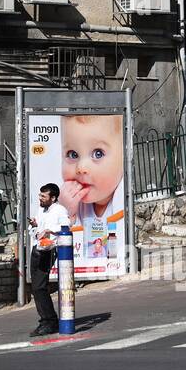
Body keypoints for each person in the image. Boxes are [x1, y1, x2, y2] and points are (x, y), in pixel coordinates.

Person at [57, 114, 126, 273]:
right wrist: (67, 212)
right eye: (72, 154)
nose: (81, 167)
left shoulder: (122, 197)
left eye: (98, 154)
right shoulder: (72, 201)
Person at [28, 183, 68, 337]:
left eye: (44, 196)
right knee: (36, 286)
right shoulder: (41, 209)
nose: (40, 198)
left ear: (53, 198)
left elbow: (67, 225)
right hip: (38, 248)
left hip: (48, 250)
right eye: (40, 195)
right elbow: (39, 227)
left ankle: (49, 321)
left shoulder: (59, 210)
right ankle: (47, 320)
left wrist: (50, 229)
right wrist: (36, 225)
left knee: (39, 286)